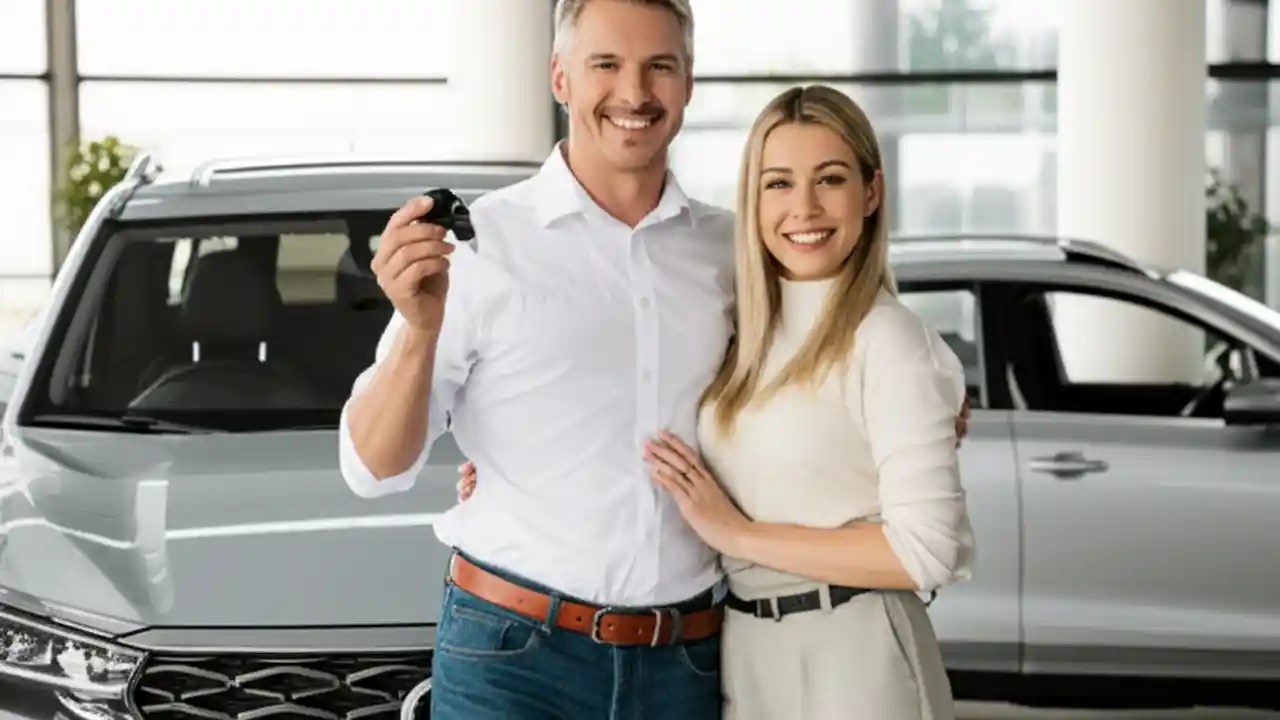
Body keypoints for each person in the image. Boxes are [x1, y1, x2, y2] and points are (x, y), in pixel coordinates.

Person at [341, 1, 969, 717]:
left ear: (688, 81)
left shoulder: (736, 253)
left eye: (658, 67)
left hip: (689, 661)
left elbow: (844, 332)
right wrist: (419, 334)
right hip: (516, 660)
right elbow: (372, 468)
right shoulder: (484, 247)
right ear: (560, 78)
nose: (634, 93)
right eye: (606, 64)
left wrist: (933, 395)